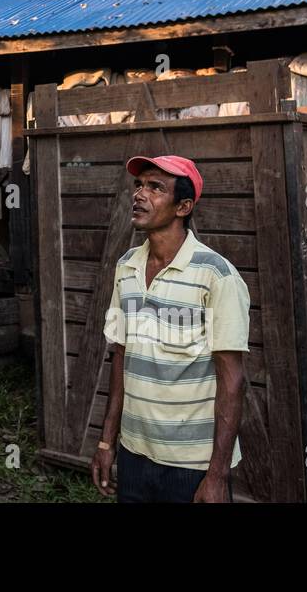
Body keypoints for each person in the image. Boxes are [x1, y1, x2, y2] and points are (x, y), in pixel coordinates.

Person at [90, 154, 250, 503]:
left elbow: (232, 380)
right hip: (134, 454)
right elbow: (120, 356)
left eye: (155, 187)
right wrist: (106, 442)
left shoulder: (216, 276)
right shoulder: (126, 267)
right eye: (139, 185)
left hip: (191, 465)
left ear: (183, 206)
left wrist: (217, 475)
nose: (139, 194)